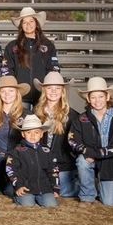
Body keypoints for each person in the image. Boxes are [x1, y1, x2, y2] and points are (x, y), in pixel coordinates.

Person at [68, 77, 113, 207]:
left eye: (101, 96)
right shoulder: (81, 119)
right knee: (82, 161)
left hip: (110, 159)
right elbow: (72, 140)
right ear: (88, 99)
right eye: (93, 97)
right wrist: (88, 152)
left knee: (108, 202)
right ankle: (87, 196)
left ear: (107, 97)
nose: (97, 101)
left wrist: (99, 154)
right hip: (90, 156)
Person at [1, 6, 59, 106]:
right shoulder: (11, 47)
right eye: (24, 22)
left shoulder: (48, 45)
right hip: (20, 96)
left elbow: (53, 69)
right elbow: (7, 70)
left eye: (31, 21)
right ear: (21, 26)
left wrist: (48, 90)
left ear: (36, 23)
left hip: (42, 95)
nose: (28, 25)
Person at [34, 71, 79, 199]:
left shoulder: (72, 116)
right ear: (44, 90)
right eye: (49, 88)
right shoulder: (35, 113)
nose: (53, 91)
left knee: (56, 192)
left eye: (57, 88)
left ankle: (83, 184)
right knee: (38, 188)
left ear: (62, 91)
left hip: (62, 165)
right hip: (41, 164)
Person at [7, 114, 59, 208]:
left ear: (42, 134)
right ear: (23, 134)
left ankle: (42, 197)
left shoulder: (46, 151)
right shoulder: (16, 151)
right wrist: (18, 186)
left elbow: (53, 170)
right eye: (28, 132)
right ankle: (16, 195)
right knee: (27, 204)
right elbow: (11, 170)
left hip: (44, 188)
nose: (33, 136)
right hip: (25, 187)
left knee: (51, 204)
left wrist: (55, 188)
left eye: (36, 132)